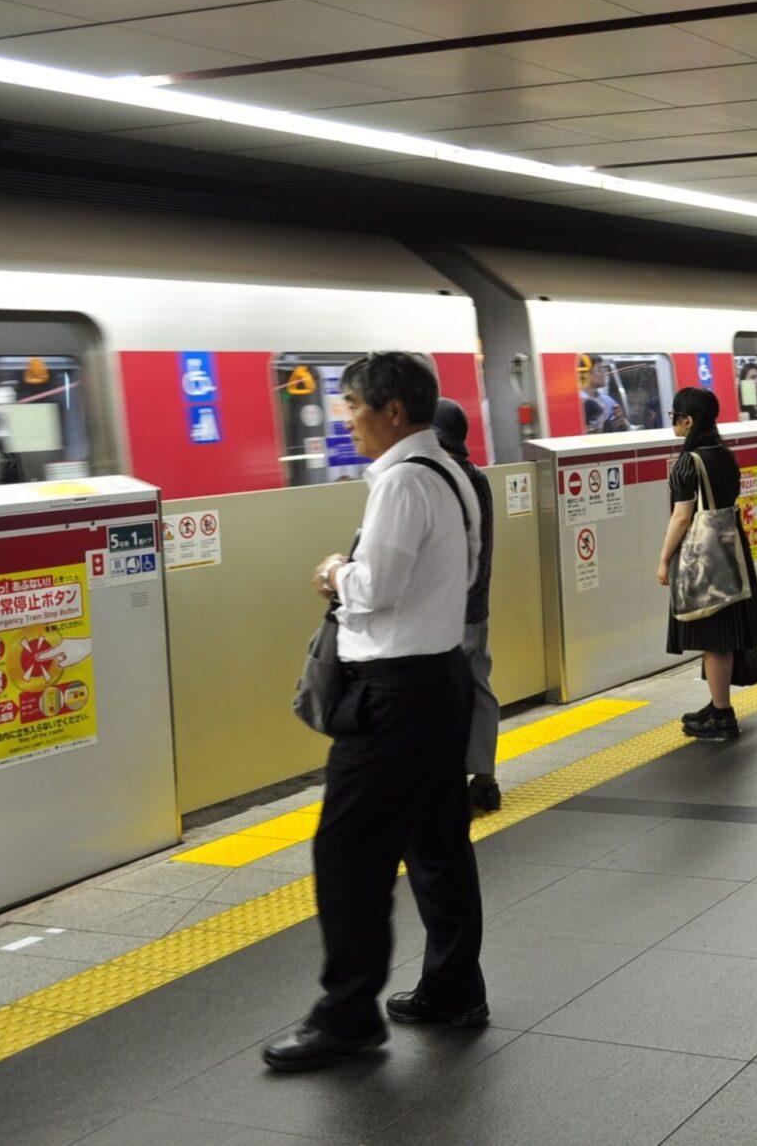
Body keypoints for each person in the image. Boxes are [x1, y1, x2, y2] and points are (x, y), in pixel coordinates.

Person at [265, 352, 486, 1072]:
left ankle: (347, 1015)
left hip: (394, 694)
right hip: (441, 679)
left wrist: (334, 573)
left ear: (393, 411)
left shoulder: (399, 484)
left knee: (348, 853)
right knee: (436, 843)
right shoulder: (452, 474)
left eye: (353, 405)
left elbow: (377, 588)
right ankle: (454, 989)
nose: (346, 418)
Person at [659, 386, 757, 741]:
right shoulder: (723, 454)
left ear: (688, 421)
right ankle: (717, 704)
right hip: (731, 546)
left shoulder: (688, 462)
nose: (673, 422)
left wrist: (664, 560)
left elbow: (681, 516)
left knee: (714, 636)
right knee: (723, 632)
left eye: (675, 416)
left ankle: (721, 712)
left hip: (706, 555)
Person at [431, 399, 500, 816]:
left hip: (447, 613)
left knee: (444, 700)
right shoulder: (478, 477)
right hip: (477, 607)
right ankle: (485, 781)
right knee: (478, 691)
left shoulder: (443, 481)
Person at [580, 360, 627, 433]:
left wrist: (621, 422)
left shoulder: (607, 400)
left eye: (603, 370)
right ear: (586, 375)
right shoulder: (578, 401)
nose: (604, 374)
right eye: (599, 369)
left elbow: (622, 428)